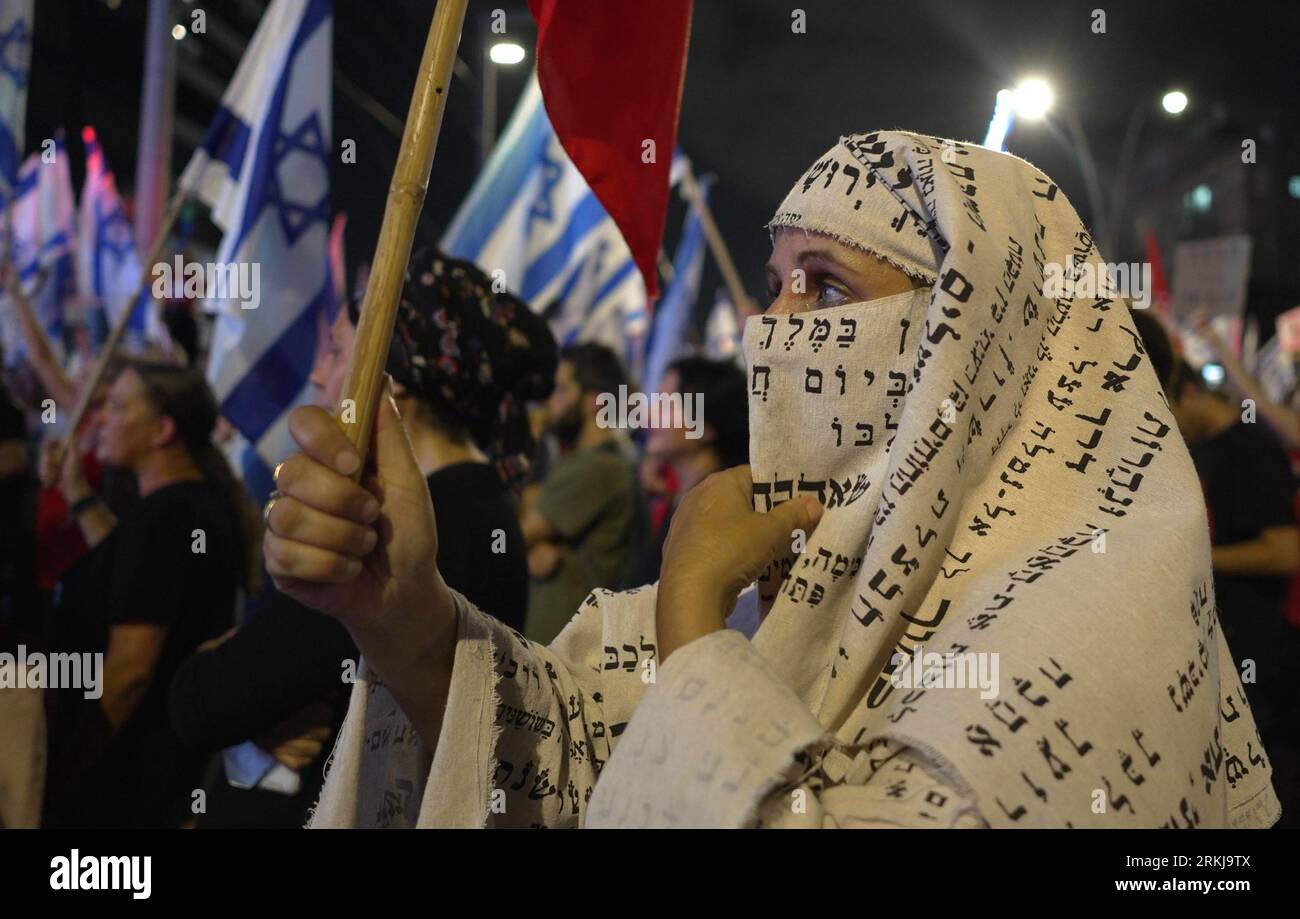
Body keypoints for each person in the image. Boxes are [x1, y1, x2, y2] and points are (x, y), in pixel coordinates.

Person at [268, 131, 1278, 828]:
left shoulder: (1097, 619)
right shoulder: (803, 573)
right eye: (778, 282)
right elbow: (570, 764)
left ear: (967, 344)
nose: (777, 328)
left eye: (828, 286)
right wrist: (402, 618)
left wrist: (696, 622)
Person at [168, 250, 553, 826]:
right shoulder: (486, 504)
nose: (319, 374)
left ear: (394, 379)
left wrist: (212, 663)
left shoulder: (406, 522)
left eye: (335, 350)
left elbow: (205, 703)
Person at [42, 361, 257, 827]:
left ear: (162, 430)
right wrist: (78, 494)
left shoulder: (164, 519)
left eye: (116, 406)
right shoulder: (187, 506)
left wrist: (60, 770)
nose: (99, 418)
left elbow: (129, 671)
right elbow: (130, 572)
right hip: (163, 778)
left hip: (126, 790)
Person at [1133, 310, 1300, 827]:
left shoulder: (1250, 450)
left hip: (1264, 675)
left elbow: (1286, 551)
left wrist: (1194, 555)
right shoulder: (1198, 448)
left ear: (1182, 393)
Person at [522, 343, 648, 643]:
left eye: (562, 389)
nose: (550, 400)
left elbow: (517, 531)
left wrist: (525, 544)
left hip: (568, 659)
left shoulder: (601, 467)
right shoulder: (578, 461)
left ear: (593, 401)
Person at [633, 355, 749, 586]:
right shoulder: (677, 494)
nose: (648, 416)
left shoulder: (714, 508)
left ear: (705, 428)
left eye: (666, 406)